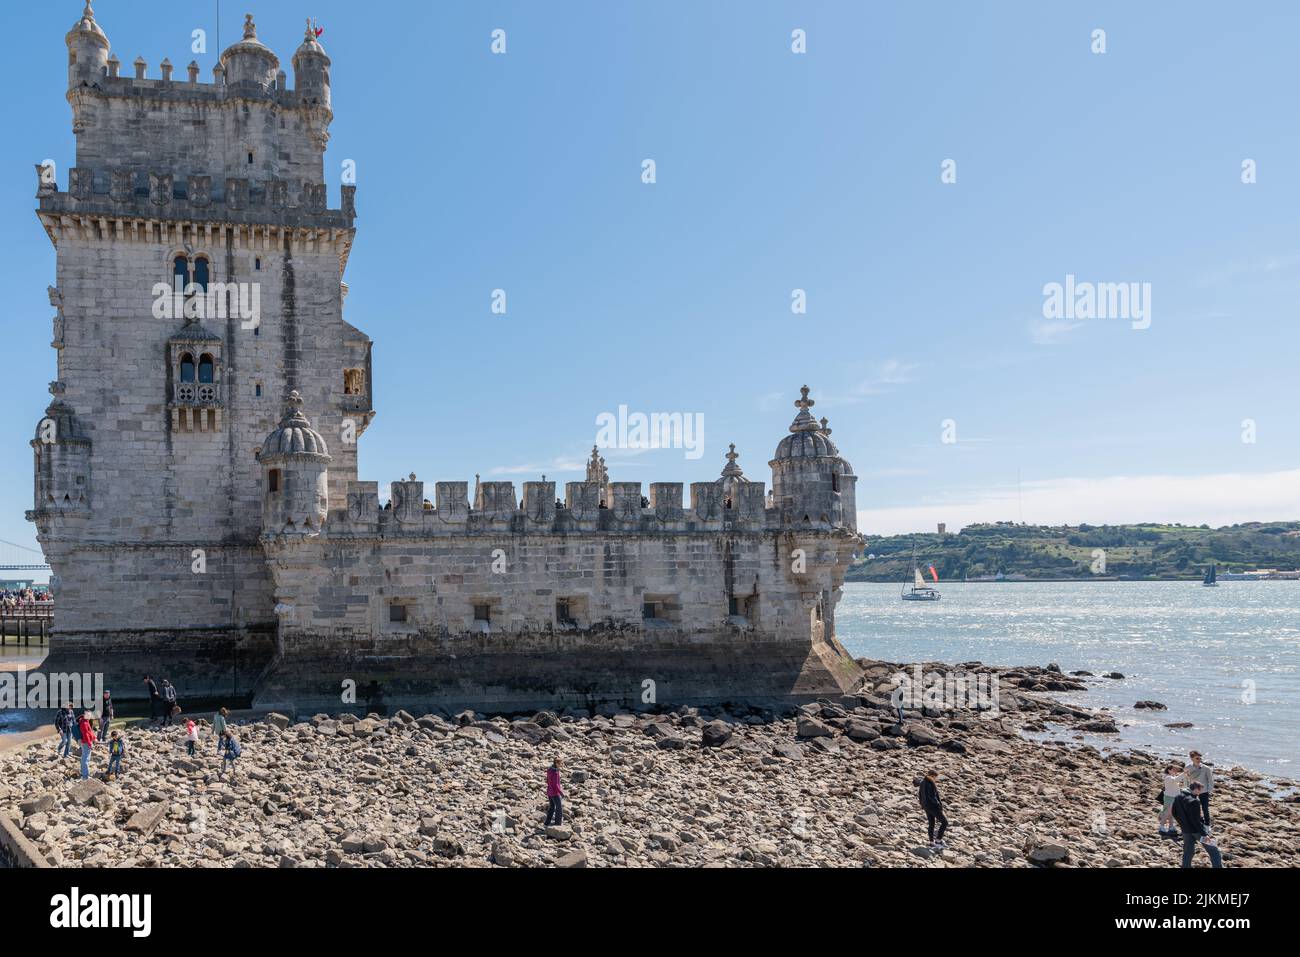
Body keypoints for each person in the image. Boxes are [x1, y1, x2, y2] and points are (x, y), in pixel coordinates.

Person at [1172, 782, 1223, 868]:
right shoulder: (1194, 801)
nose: (1200, 793)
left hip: (1185, 830)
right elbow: (1195, 821)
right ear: (1196, 789)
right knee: (1213, 850)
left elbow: (1173, 812)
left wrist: (1182, 824)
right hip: (1197, 831)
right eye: (1200, 790)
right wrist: (1204, 834)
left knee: (1188, 851)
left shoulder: (1178, 797)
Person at [919, 770, 948, 848]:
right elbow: (932, 797)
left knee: (931, 823)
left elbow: (920, 795)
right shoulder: (929, 783)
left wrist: (922, 804)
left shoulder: (923, 782)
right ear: (931, 776)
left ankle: (932, 843)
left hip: (926, 806)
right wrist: (938, 805)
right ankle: (938, 840)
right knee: (945, 823)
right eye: (935, 777)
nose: (935, 779)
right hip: (933, 806)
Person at [1184, 751, 1213, 827]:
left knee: (1205, 808)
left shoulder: (1206, 768)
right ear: (1191, 758)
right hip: (1192, 791)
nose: (1199, 759)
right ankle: (1195, 821)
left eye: (1200, 758)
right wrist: (1187, 789)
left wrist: (1210, 791)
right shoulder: (1187, 767)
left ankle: (1207, 824)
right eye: (1197, 758)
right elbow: (1186, 780)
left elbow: (1210, 780)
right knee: (1192, 807)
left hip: (1204, 791)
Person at [1158, 763, 1184, 838]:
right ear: (1169, 770)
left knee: (1171, 813)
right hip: (1170, 797)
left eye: (1176, 770)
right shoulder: (1168, 777)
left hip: (1172, 797)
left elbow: (1175, 781)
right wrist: (1183, 773)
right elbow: (1177, 779)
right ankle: (1162, 827)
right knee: (1168, 812)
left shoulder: (1170, 777)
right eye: (1174, 770)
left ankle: (1171, 827)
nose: (1176, 771)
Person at [544, 757, 564, 827]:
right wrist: (561, 792)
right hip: (554, 792)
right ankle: (558, 824)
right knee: (559, 808)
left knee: (552, 807)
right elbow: (556, 785)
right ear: (556, 763)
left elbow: (548, 780)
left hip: (549, 791)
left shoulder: (549, 769)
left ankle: (546, 823)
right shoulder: (555, 771)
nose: (561, 765)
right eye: (560, 763)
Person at [77, 711, 96, 780]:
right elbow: (86, 734)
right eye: (88, 715)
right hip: (86, 742)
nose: (89, 716)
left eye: (90, 715)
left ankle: (83, 773)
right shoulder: (84, 723)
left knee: (84, 758)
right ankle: (85, 776)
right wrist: (90, 744)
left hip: (85, 742)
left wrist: (94, 738)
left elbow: (90, 731)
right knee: (86, 759)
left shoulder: (85, 721)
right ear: (85, 715)